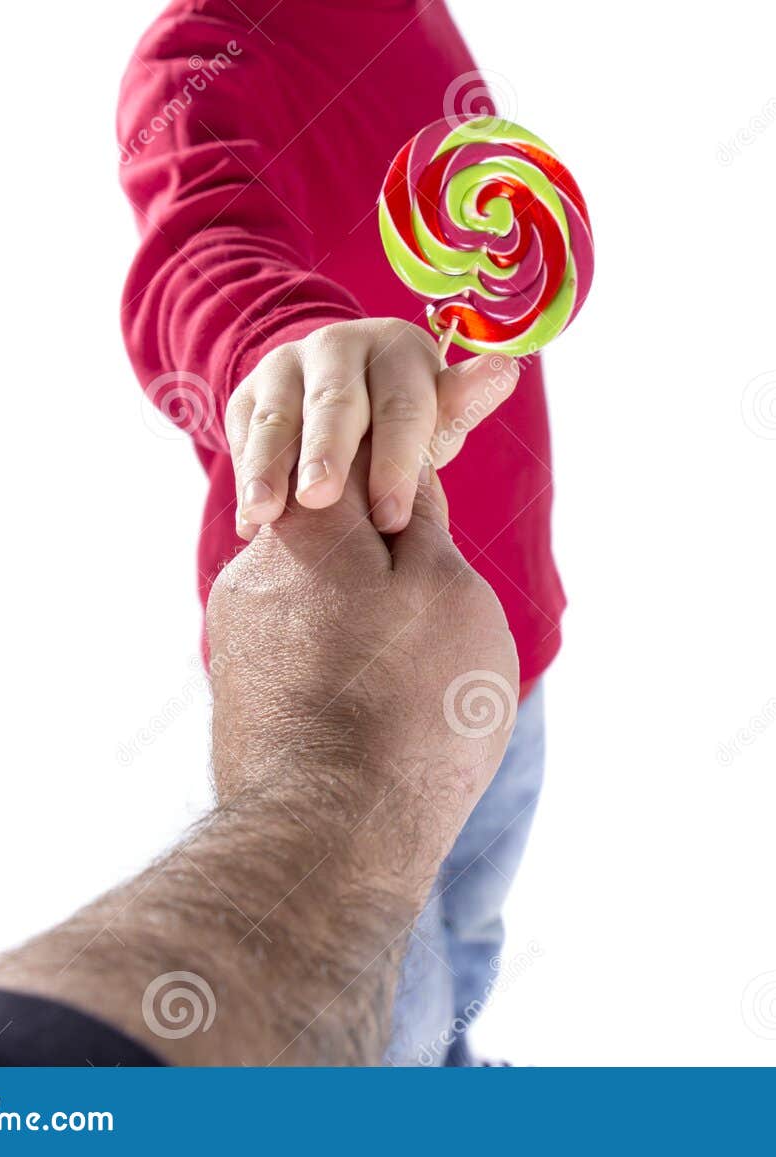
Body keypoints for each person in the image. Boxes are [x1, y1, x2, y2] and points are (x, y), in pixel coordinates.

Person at [117, 0, 560, 1064]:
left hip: (507, 623)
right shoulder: (197, 57)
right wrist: (287, 339)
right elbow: (197, 250)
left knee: (466, 933)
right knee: (366, 1000)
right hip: (343, 666)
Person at [0, 461, 518, 1066]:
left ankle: (452, 1058)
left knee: (471, 926)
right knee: (404, 992)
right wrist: (343, 759)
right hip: (376, 666)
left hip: (508, 671)